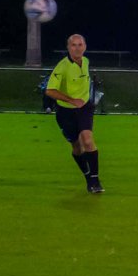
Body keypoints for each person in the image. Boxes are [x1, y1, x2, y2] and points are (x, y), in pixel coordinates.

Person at [46, 33, 104, 194]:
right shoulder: (62, 67)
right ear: (68, 48)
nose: (77, 48)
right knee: (77, 148)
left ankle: (95, 179)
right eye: (74, 45)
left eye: (80, 45)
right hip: (65, 112)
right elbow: (49, 90)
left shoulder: (86, 61)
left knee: (87, 139)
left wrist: (88, 99)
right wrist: (71, 100)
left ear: (85, 46)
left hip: (85, 108)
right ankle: (87, 176)